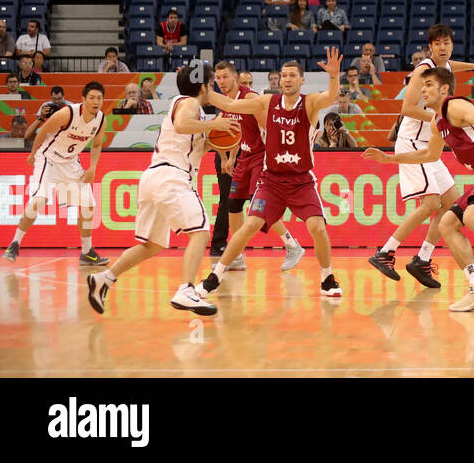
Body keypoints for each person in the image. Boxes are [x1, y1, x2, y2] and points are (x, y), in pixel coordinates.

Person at [363, 67, 474, 311]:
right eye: (422, 85)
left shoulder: (454, 105)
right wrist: (389, 159)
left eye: (429, 85)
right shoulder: (437, 122)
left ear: (444, 89)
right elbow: (430, 154)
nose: (423, 90)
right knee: (447, 224)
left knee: (471, 216)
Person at [85, 66, 236, 317]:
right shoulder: (189, 103)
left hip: (155, 177)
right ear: (202, 87)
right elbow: (182, 125)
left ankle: (105, 278)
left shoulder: (187, 108)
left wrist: (219, 142)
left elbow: (195, 144)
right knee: (200, 232)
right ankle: (186, 289)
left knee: (152, 245)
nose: (212, 89)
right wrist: (214, 123)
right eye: (211, 84)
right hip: (171, 177)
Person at [199, 50, 345, 300]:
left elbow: (331, 96)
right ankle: (215, 276)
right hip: (272, 181)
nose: (287, 79)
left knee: (318, 228)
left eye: (292, 75)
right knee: (249, 225)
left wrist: (333, 77)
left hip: (301, 181)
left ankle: (327, 278)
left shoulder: (309, 103)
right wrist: (200, 88)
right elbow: (230, 105)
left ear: (302, 80)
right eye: (283, 75)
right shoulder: (267, 102)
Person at [365, 24, 474, 288]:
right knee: (431, 204)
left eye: (447, 43)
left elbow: (452, 65)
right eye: (438, 43)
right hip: (411, 142)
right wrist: (439, 117)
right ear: (430, 47)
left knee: (451, 204)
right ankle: (385, 252)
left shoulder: (446, 67)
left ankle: (422, 259)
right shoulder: (423, 70)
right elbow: (407, 108)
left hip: (429, 143)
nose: (443, 48)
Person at [4, 81, 108, 266]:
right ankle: (14, 243)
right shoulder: (68, 113)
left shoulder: (101, 119)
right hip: (48, 158)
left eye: (99, 98)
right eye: (92, 97)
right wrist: (32, 154)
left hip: (71, 162)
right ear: (83, 99)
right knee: (39, 201)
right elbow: (42, 131)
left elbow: (97, 144)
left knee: (88, 205)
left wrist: (93, 167)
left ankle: (86, 252)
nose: (96, 101)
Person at [210, 62, 302, 270]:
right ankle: (236, 256)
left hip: (262, 156)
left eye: (225, 77)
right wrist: (230, 158)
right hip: (244, 156)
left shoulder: (250, 98)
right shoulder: (227, 102)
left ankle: (292, 245)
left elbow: (270, 128)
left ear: (235, 78)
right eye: (218, 78)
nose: (221, 81)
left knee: (258, 205)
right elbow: (237, 131)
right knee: (233, 204)